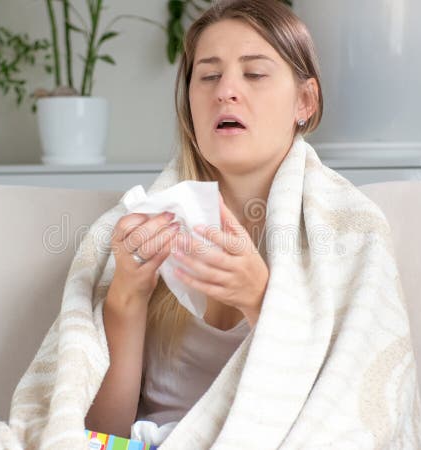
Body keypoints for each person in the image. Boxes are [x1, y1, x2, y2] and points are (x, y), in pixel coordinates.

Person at [84, 0, 323, 441]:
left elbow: (341, 419)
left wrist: (261, 300)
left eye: (253, 74)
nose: (225, 91)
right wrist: (127, 297)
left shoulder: (350, 234)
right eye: (209, 75)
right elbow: (101, 438)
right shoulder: (146, 227)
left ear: (304, 101)